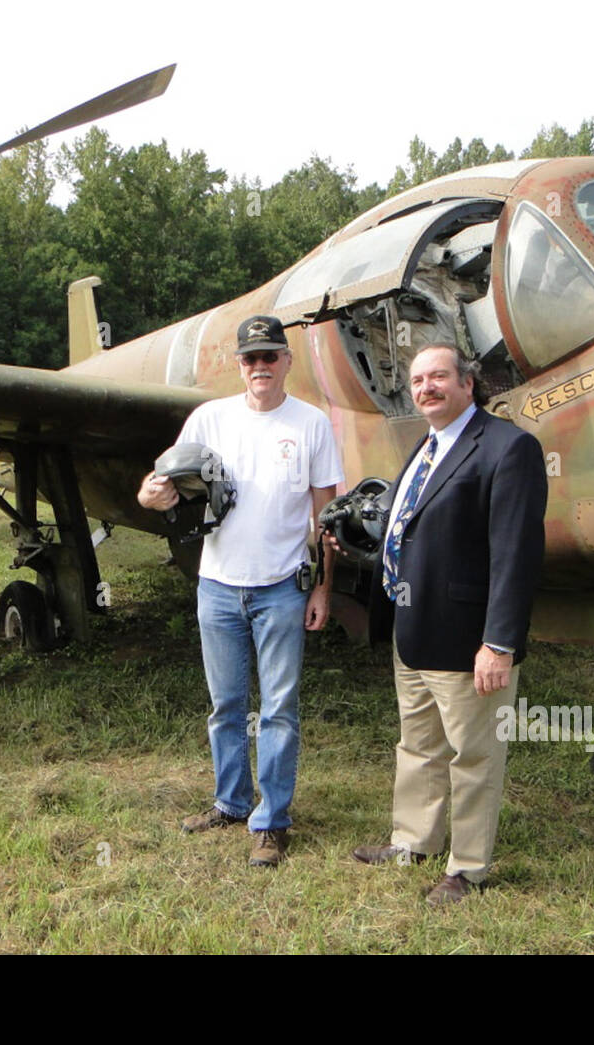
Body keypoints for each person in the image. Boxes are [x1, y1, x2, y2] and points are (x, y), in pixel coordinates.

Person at [138, 315, 343, 868]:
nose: (260, 367)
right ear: (239, 365)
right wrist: (153, 496)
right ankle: (230, 803)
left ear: (287, 361)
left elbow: (326, 514)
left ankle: (271, 822)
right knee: (226, 705)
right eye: (250, 358)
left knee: (279, 709)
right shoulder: (209, 418)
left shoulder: (312, 424)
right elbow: (159, 485)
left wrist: (323, 588)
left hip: (282, 587)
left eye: (270, 356)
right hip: (218, 587)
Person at [346, 341, 547, 906]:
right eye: (417, 382)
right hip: (412, 632)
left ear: (467, 383)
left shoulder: (509, 449)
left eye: (438, 377)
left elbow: (516, 555)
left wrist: (499, 643)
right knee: (419, 746)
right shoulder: (426, 446)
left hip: (468, 642)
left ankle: (468, 867)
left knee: (475, 756)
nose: (426, 389)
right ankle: (414, 841)